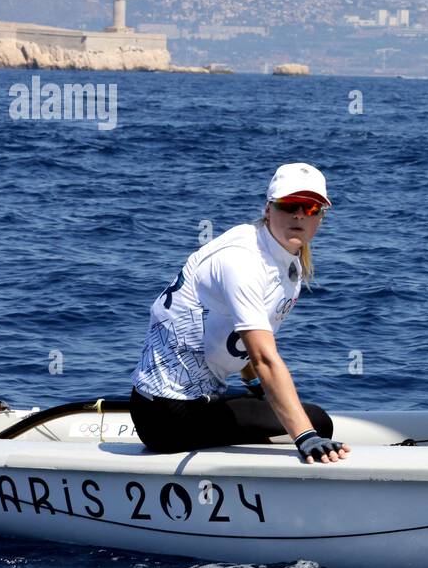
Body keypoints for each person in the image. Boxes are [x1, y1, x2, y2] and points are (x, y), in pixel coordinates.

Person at [129, 163, 349, 463]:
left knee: (309, 417)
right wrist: (304, 437)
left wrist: (256, 387)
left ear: (320, 218)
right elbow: (264, 357)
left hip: (198, 399)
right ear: (268, 209)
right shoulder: (242, 261)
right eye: (288, 205)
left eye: (310, 208)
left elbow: (240, 339)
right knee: (316, 423)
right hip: (166, 417)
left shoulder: (285, 261)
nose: (299, 214)